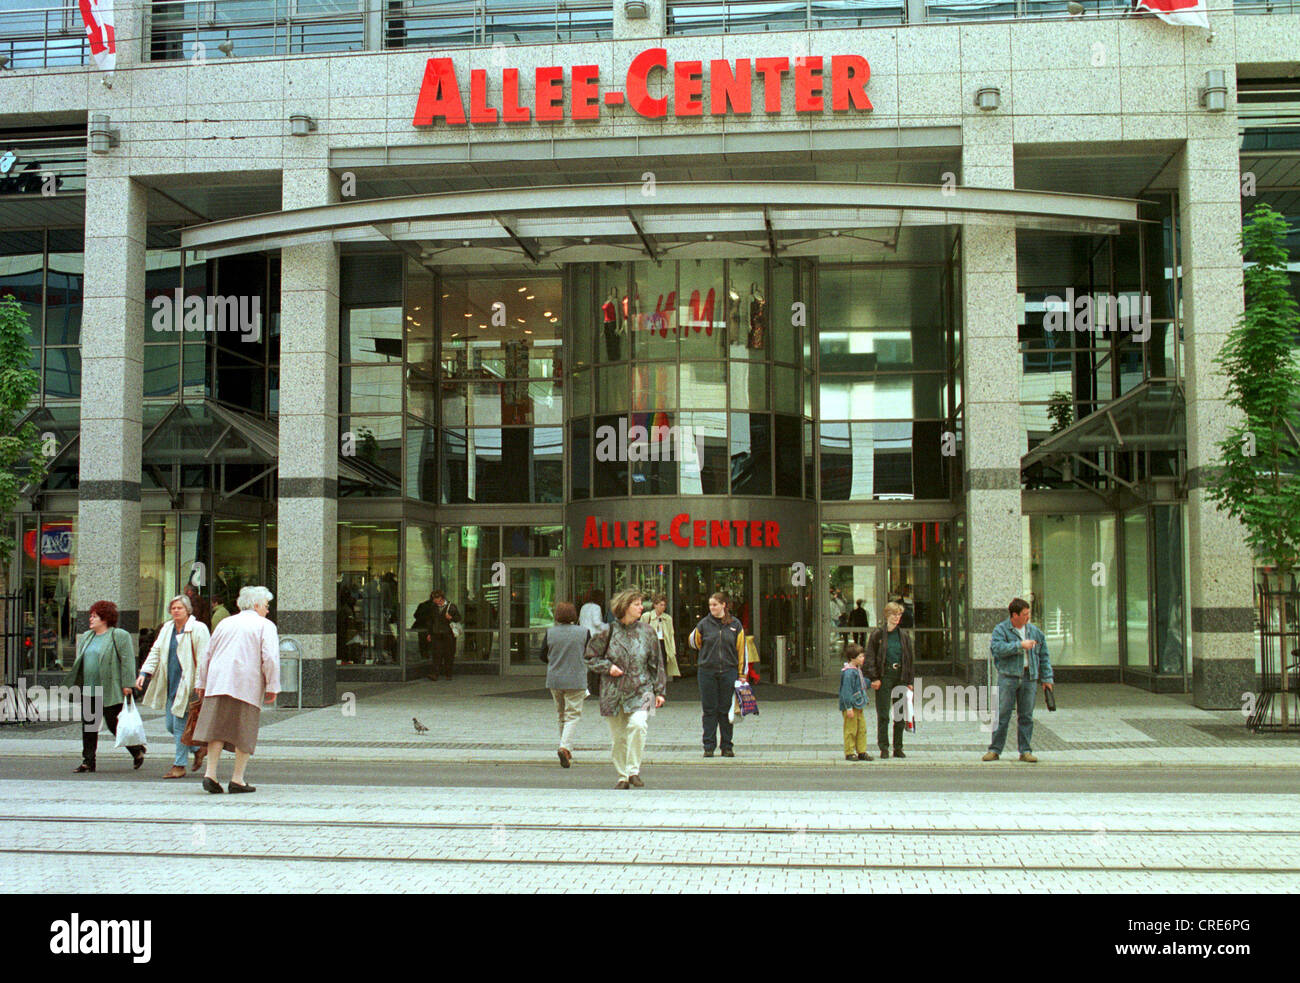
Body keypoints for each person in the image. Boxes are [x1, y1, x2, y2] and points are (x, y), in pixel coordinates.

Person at [193, 585, 280, 793]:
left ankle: (210, 774)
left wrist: (201, 683)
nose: (268, 610)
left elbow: (207, 654)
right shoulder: (265, 625)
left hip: (218, 682)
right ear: (257, 605)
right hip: (246, 684)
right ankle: (237, 779)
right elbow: (270, 658)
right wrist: (272, 685)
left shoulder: (225, 623)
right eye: (266, 605)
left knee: (217, 730)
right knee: (244, 731)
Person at [584, 587, 665, 789]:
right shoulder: (606, 632)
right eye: (636, 604)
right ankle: (622, 776)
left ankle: (633, 771)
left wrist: (660, 691)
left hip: (643, 689)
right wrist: (607, 667)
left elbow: (657, 663)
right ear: (625, 606)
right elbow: (589, 657)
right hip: (613, 692)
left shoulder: (648, 632)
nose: (641, 608)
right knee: (618, 737)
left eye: (641, 604)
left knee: (639, 726)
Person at [65, 600, 145, 773]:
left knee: (114, 724)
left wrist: (128, 684)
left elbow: (127, 660)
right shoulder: (87, 636)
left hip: (110, 687)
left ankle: (136, 750)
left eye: (94, 616)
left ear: (105, 618)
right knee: (89, 726)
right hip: (89, 687)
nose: (90, 619)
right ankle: (88, 761)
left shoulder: (119, 635)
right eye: (90, 616)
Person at [137, 595, 211, 779]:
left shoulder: (198, 629)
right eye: (173, 608)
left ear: (188, 610)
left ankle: (179, 765)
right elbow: (156, 651)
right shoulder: (167, 628)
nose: (176, 611)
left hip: (190, 686)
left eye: (179, 608)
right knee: (171, 725)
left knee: (179, 725)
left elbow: (204, 658)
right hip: (170, 683)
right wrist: (144, 672)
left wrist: (200, 685)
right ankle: (197, 748)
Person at [983, 597, 1054, 763]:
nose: (1027, 617)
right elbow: (997, 649)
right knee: (1002, 715)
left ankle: (1025, 750)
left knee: (1026, 715)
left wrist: (1047, 678)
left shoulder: (1035, 632)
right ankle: (995, 749)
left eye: (1028, 613)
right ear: (1014, 615)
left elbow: (1044, 656)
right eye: (1024, 614)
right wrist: (1020, 645)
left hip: (1029, 677)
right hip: (1008, 677)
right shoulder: (1001, 630)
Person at [689, 592, 746, 758]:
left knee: (725, 710)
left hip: (729, 671)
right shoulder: (703, 624)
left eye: (715, 605)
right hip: (707, 671)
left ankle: (727, 746)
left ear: (724, 605)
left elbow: (741, 650)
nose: (712, 608)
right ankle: (708, 746)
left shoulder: (736, 625)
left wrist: (742, 674)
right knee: (709, 709)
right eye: (710, 605)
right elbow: (694, 642)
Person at [540, 601, 589, 768]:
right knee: (573, 715)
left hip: (555, 679)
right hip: (576, 679)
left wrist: (555, 661)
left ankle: (566, 750)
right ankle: (564, 747)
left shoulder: (550, 632)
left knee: (561, 715)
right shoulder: (583, 632)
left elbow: (542, 655)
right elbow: (590, 653)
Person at [866, 601, 915, 759]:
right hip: (884, 676)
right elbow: (870, 657)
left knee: (899, 714)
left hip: (900, 676)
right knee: (883, 714)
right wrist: (874, 677)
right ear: (887, 615)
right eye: (894, 614)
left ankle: (898, 747)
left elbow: (909, 659)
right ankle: (884, 747)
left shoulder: (904, 635)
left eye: (899, 614)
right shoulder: (878, 635)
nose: (897, 617)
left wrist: (909, 681)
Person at [413, 589, 460, 680]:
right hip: (436, 634)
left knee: (448, 655)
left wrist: (451, 617)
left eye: (436, 598)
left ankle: (448, 673)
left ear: (441, 598)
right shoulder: (433, 608)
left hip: (448, 634)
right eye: (433, 598)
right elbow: (430, 622)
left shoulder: (451, 607)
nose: (434, 600)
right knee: (436, 654)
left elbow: (458, 618)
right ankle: (435, 673)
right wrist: (429, 633)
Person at [640, 592, 680, 684]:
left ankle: (660, 683)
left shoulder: (667, 618)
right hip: (652, 644)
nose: (663, 607)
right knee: (651, 664)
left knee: (662, 665)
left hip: (663, 643)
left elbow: (671, 634)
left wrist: (672, 650)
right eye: (661, 605)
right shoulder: (647, 616)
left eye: (664, 605)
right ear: (655, 605)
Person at [839, 643, 870, 761]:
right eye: (861, 656)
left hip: (859, 704)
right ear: (853, 658)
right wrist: (848, 707)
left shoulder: (857, 670)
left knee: (861, 728)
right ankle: (849, 752)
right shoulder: (849, 673)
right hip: (851, 706)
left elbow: (860, 683)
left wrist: (869, 684)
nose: (863, 659)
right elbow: (846, 691)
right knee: (851, 729)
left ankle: (861, 750)